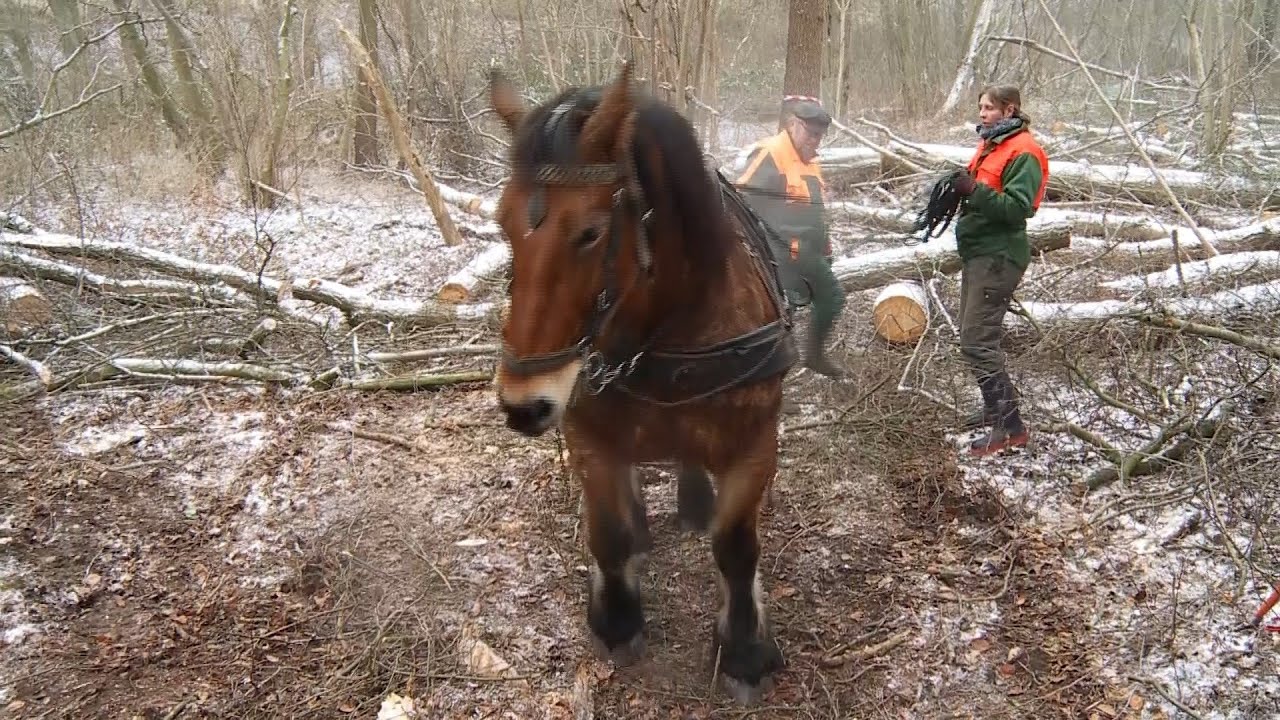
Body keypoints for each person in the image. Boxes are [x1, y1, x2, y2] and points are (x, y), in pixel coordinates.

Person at [949, 84, 1050, 457]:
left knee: (977, 340)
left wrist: (973, 190)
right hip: (980, 254)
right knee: (969, 335)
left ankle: (1010, 427)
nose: (982, 113)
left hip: (998, 257)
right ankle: (994, 410)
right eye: (980, 107)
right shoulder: (993, 145)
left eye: (989, 108)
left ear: (1010, 111)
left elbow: (1018, 208)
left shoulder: (1024, 151)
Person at [733, 95, 845, 378]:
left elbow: (814, 206)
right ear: (794, 124)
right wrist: (776, 235)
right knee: (778, 320)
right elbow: (742, 200)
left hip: (809, 251)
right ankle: (770, 380)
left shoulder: (810, 161)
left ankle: (814, 356)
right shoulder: (770, 153)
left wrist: (825, 241)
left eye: (820, 136)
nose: (815, 141)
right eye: (810, 133)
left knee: (832, 298)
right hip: (777, 253)